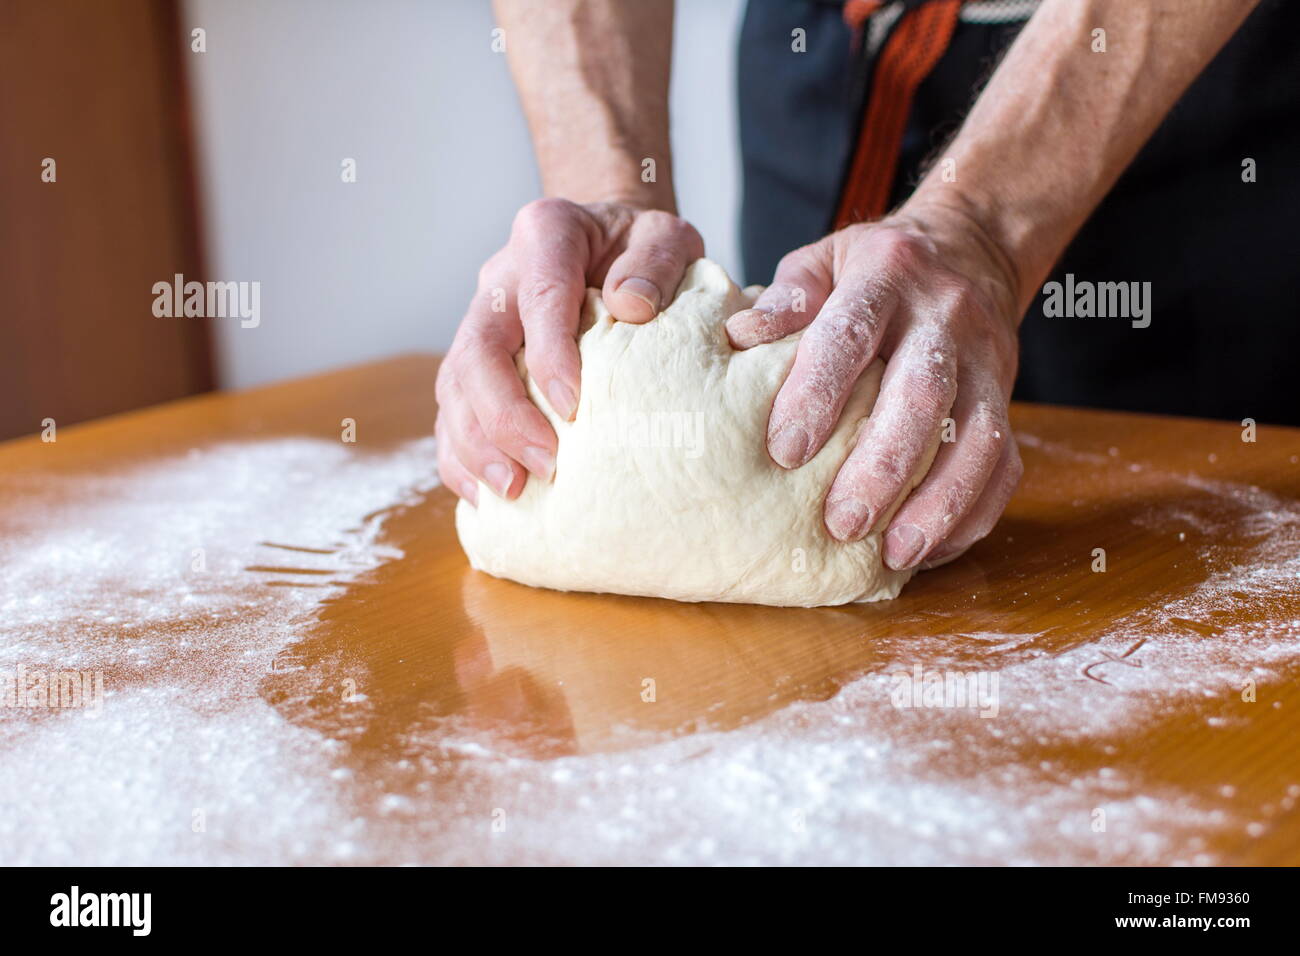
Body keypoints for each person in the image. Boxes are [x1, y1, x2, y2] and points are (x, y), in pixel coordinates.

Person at [436, 0, 1294, 575]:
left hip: (1168, 67)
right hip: (827, 48)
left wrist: (984, 228)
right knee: (815, 400)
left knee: (1191, 537)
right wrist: (606, 190)